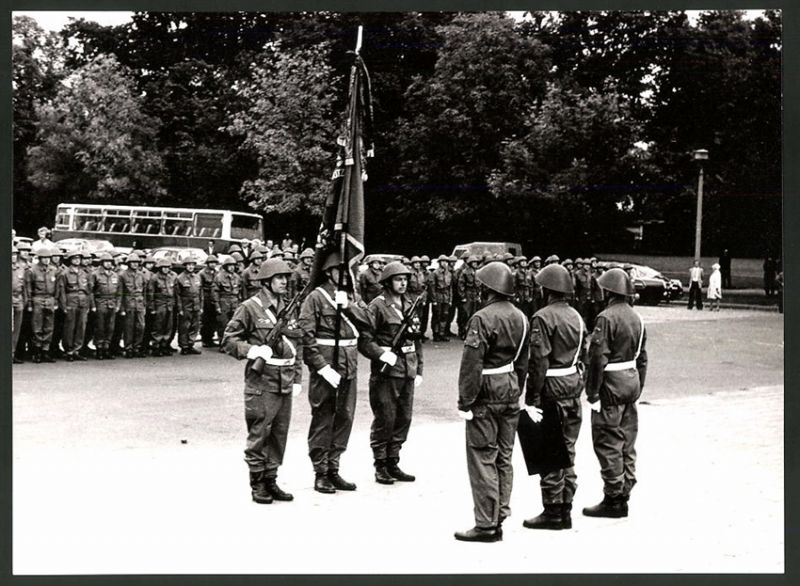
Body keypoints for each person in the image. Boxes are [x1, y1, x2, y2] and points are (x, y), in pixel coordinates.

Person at [455, 262, 530, 543]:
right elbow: (523, 362)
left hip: (486, 391)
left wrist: (465, 401)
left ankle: (486, 524)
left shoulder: (481, 318)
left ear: (487, 288)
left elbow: (471, 365)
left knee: (482, 455)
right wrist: (515, 389)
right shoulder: (522, 317)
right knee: (503, 457)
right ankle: (499, 514)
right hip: (510, 388)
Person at [222, 258, 304, 504]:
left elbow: (296, 344)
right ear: (267, 281)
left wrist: (298, 376)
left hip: (285, 380)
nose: (284, 282)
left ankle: (271, 478)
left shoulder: (288, 307)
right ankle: (257, 482)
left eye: (286, 278)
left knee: (279, 433)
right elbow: (228, 340)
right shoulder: (250, 307)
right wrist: (252, 351)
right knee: (260, 432)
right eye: (279, 278)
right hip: (262, 380)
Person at [298, 252, 372, 494]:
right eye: (340, 270)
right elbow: (306, 337)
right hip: (327, 366)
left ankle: (334, 467)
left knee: (345, 416)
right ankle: (320, 471)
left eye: (347, 270)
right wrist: (320, 366)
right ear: (329, 272)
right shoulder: (315, 298)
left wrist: (347, 306)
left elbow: (368, 322)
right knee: (323, 417)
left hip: (349, 364)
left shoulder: (350, 296)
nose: (345, 274)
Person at [522, 264, 585, 531]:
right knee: (567, 448)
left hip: (552, 385)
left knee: (549, 449)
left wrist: (531, 397)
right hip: (572, 384)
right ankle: (565, 507)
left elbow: (538, 361)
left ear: (546, 289)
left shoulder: (542, 317)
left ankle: (552, 510)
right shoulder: (577, 317)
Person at [583, 268, 647, 519]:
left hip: (611, 383)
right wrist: (638, 385)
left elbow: (597, 358)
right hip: (630, 382)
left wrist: (592, 392)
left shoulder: (606, 318)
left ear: (609, 291)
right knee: (627, 440)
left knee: (608, 440)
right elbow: (642, 357)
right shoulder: (637, 318)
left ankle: (614, 497)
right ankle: (625, 488)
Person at [358, 261, 424, 485]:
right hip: (387, 372)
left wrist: (420, 368)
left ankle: (393, 460)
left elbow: (416, 340)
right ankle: (380, 464)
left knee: (404, 417)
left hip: (408, 370)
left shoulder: (410, 304)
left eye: (406, 279)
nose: (403, 283)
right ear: (387, 282)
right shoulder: (377, 306)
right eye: (398, 279)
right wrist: (380, 354)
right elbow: (365, 340)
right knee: (385, 418)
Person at [25, 247, 59, 363]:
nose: (46, 260)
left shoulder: (53, 270)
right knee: (37, 326)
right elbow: (29, 288)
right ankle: (37, 351)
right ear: (39, 258)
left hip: (50, 298)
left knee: (49, 326)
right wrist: (30, 303)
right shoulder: (32, 271)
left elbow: (57, 288)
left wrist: (55, 301)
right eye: (44, 258)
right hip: (37, 299)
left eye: (48, 258)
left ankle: (46, 351)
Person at [58, 251, 91, 361]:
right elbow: (62, 291)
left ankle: (77, 349)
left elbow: (88, 290)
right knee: (70, 327)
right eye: (74, 258)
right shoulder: (65, 273)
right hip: (71, 301)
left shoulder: (84, 273)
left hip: (83, 301)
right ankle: (69, 350)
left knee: (81, 326)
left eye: (79, 258)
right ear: (70, 260)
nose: (77, 260)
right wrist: (63, 305)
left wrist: (88, 304)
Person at [90, 252, 121, 360]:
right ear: (102, 263)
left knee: (110, 327)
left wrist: (118, 304)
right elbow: (91, 291)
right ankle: (99, 348)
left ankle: (106, 348)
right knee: (100, 327)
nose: (108, 264)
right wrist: (93, 305)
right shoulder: (95, 274)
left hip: (112, 302)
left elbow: (119, 291)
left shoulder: (115, 275)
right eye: (106, 262)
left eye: (110, 262)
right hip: (100, 302)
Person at [119, 254, 147, 358]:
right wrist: (121, 308)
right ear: (128, 263)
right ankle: (129, 348)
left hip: (139, 303)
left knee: (141, 326)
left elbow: (144, 291)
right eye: (133, 262)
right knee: (128, 327)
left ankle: (137, 347)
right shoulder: (123, 275)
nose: (135, 264)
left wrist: (144, 305)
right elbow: (120, 292)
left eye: (137, 262)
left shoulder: (141, 275)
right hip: (128, 303)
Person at [147, 258, 177, 356]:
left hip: (169, 304)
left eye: (167, 267)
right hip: (159, 304)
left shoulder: (171, 277)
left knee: (168, 326)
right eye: (163, 267)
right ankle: (156, 346)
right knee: (158, 326)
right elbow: (151, 294)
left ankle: (164, 345)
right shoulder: (155, 278)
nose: (165, 269)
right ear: (159, 268)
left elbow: (175, 292)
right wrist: (152, 308)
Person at [175, 257, 203, 355]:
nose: (191, 267)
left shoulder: (197, 277)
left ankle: (191, 344)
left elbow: (200, 293)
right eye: (189, 265)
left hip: (196, 304)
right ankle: (184, 346)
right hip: (185, 304)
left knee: (195, 325)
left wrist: (201, 306)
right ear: (185, 266)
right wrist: (180, 308)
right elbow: (177, 295)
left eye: (192, 265)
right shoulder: (180, 278)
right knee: (184, 326)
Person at [213, 256, 242, 349]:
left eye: (233, 265)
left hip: (235, 301)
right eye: (229, 266)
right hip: (224, 301)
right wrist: (217, 305)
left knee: (234, 324)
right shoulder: (219, 277)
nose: (232, 267)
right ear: (225, 266)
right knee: (223, 324)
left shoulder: (237, 277)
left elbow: (240, 290)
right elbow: (215, 292)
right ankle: (222, 344)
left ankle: (231, 344)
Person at [12, 245, 29, 364]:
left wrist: (24, 299)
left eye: (14, 254)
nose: (13, 257)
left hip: (18, 298)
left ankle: (11, 353)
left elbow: (24, 286)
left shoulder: (20, 268)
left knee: (16, 329)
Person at [430, 254, 453, 342]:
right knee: (437, 315)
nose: (445, 263)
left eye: (446, 262)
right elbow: (432, 288)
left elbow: (450, 288)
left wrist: (450, 299)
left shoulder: (449, 274)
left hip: (446, 297)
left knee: (445, 316)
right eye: (443, 261)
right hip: (438, 296)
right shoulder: (435, 273)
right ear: (439, 262)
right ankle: (436, 334)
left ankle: (442, 333)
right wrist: (434, 300)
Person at [200, 255, 220, 347]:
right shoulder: (202, 273)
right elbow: (200, 287)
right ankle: (205, 339)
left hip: (215, 297)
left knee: (214, 319)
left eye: (214, 263)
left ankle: (210, 338)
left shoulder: (217, 272)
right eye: (211, 263)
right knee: (206, 319)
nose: (213, 264)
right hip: (206, 297)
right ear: (207, 264)